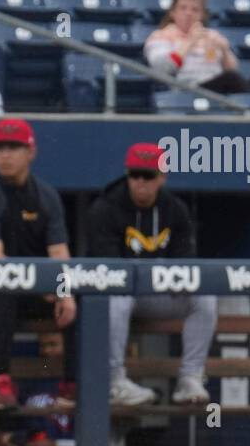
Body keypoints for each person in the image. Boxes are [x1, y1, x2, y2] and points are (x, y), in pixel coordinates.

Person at [88, 143, 216, 406]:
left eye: (148, 176)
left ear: (162, 176)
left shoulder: (175, 209)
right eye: (135, 175)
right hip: (121, 296)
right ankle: (115, 382)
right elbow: (110, 270)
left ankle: (189, 378)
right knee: (117, 295)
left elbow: (185, 264)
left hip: (156, 294)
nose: (140, 183)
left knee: (204, 297)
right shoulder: (105, 208)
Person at [0, 117, 76, 412]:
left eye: (13, 147)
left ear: (31, 152)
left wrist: (64, 292)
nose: (5, 154)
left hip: (32, 290)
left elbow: (59, 250)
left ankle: (74, 383)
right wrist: (40, 287)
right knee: (5, 293)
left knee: (81, 300)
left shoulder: (46, 195)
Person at [144, 0, 248, 95]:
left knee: (235, 80)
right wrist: (190, 41)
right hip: (184, 90)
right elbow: (162, 68)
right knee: (231, 79)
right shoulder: (160, 36)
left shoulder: (213, 36)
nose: (188, 14)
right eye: (183, 8)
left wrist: (224, 50)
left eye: (195, 10)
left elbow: (233, 70)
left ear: (202, 15)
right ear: (172, 12)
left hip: (217, 90)